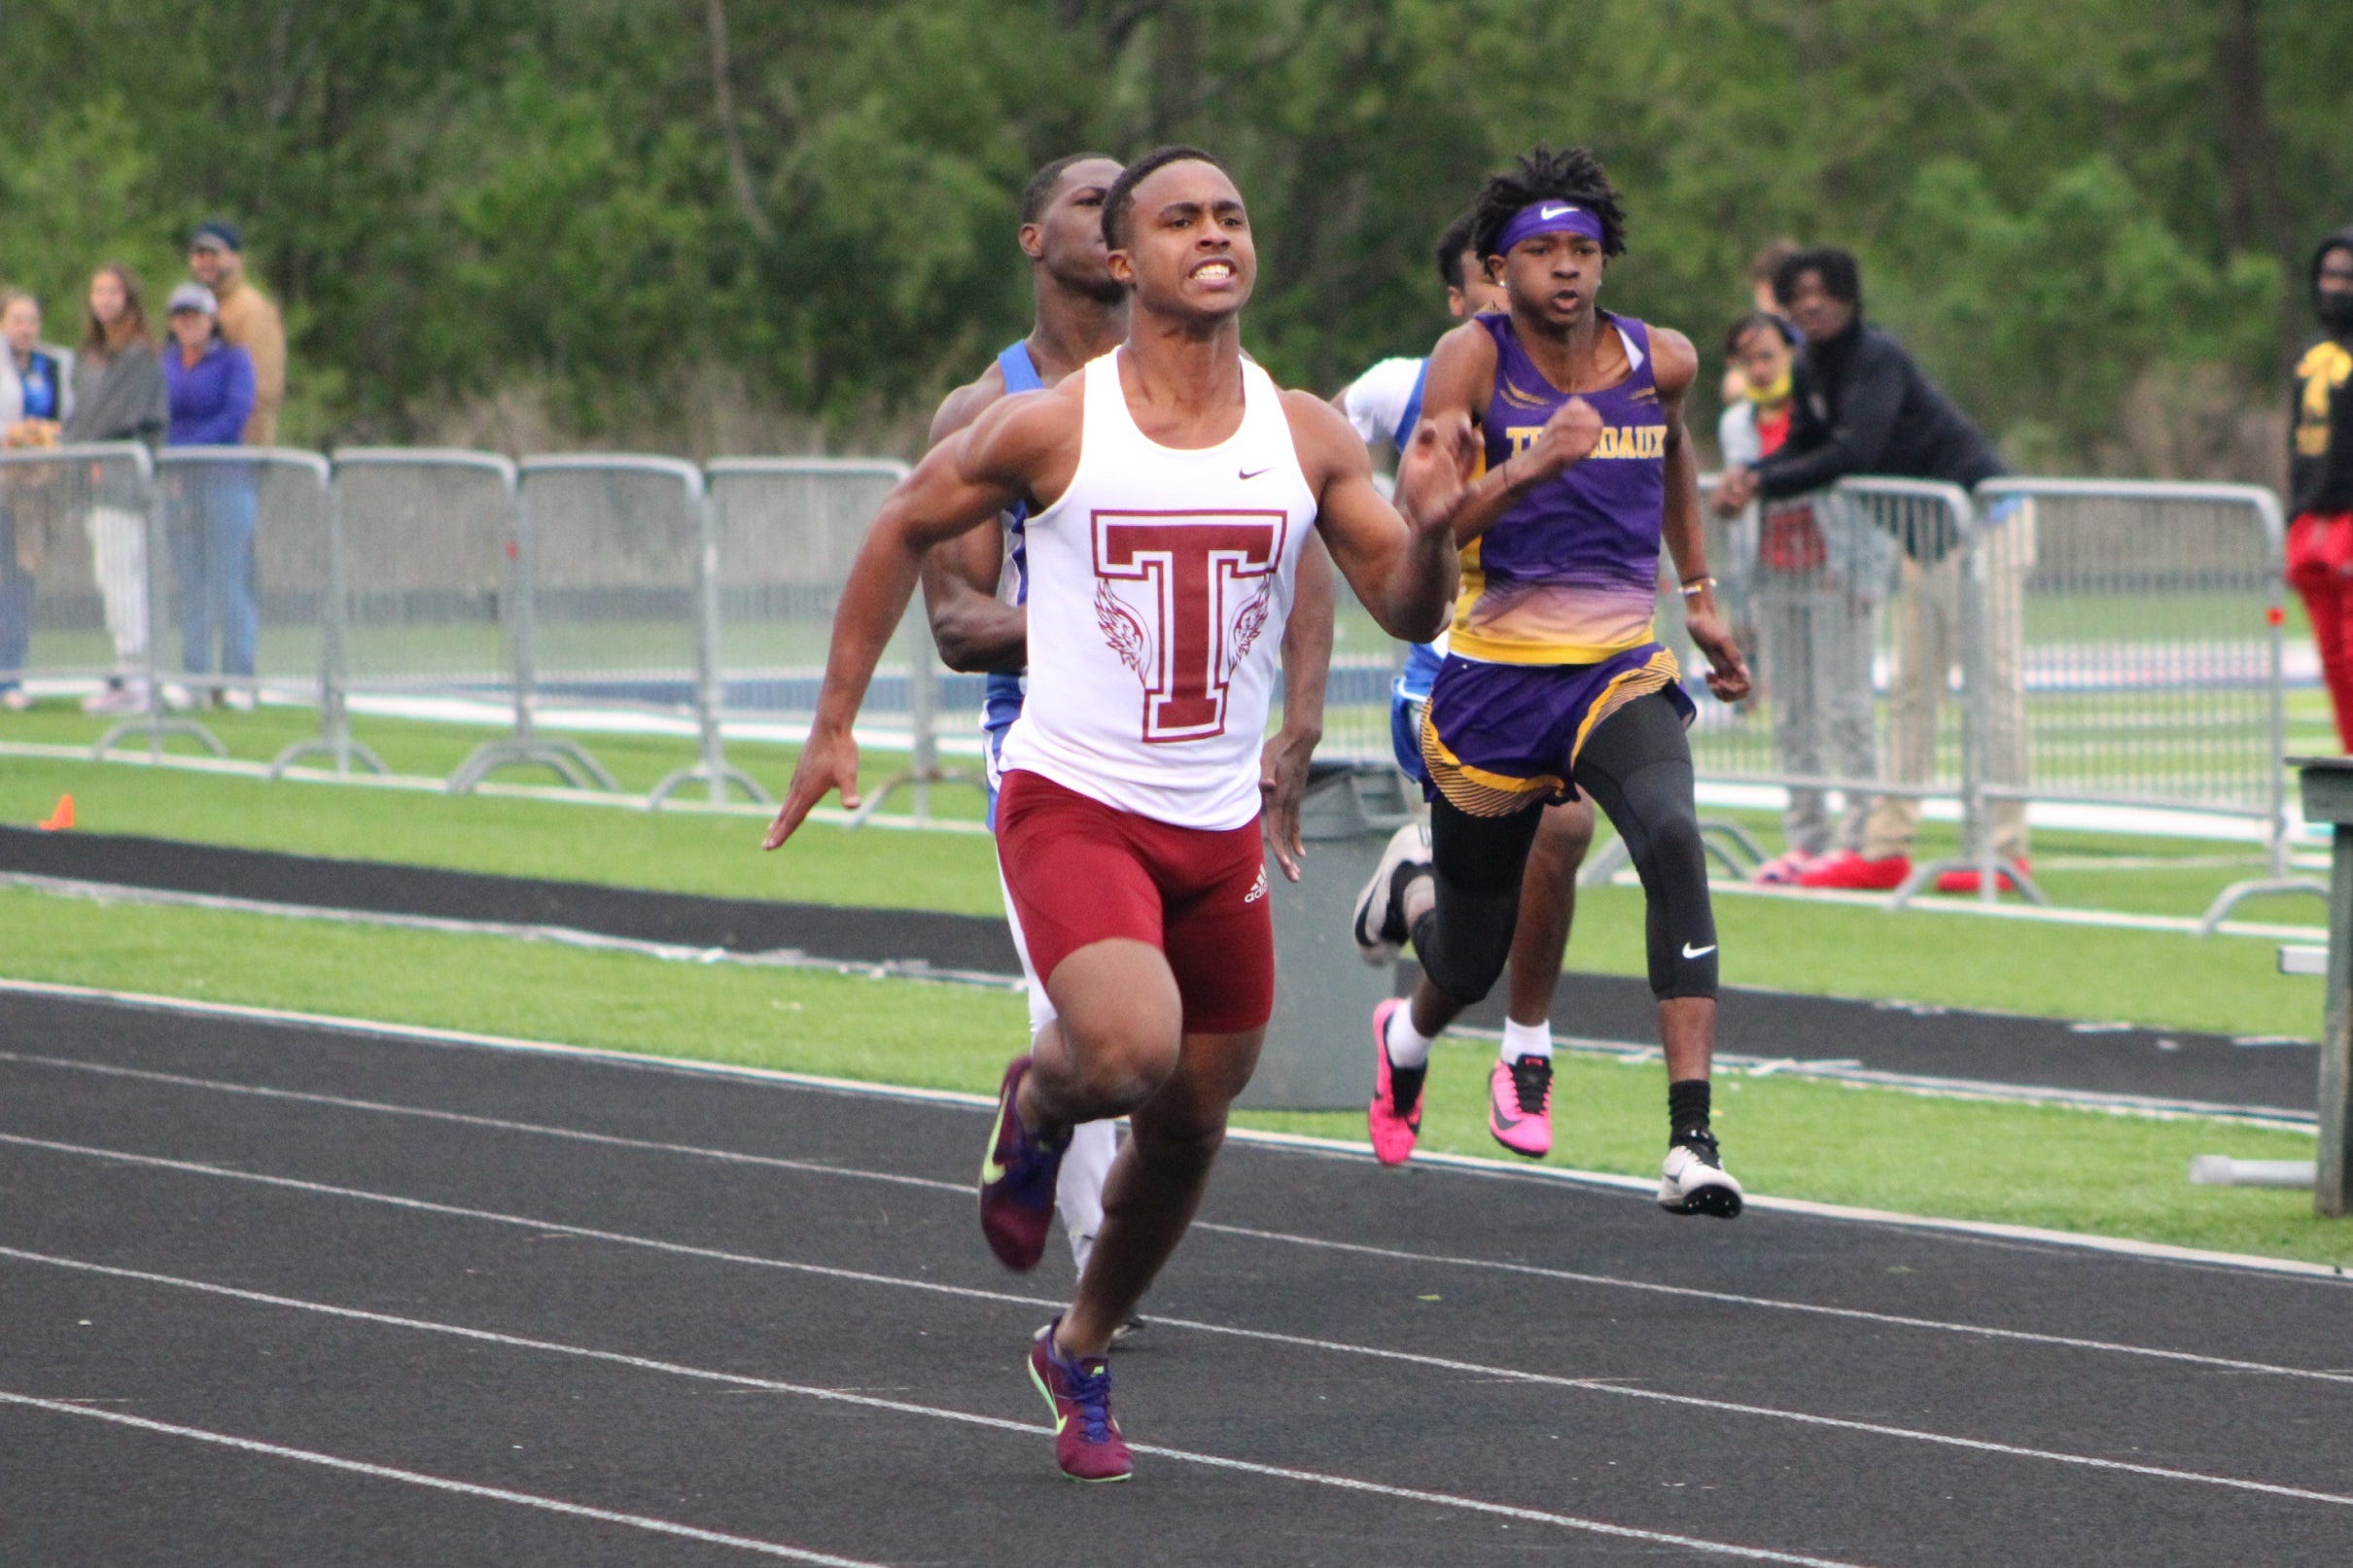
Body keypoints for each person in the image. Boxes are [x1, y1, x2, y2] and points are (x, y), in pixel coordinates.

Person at [764, 147, 1464, 1482]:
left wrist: (1438, 525)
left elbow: (1407, 607)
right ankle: (1037, 1104)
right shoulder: (1052, 422)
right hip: (1073, 798)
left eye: (1233, 215)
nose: (1214, 235)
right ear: (1121, 259)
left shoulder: (1303, 428)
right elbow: (901, 529)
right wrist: (834, 722)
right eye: (1179, 218)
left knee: (1198, 1117)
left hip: (1216, 826)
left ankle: (1077, 1348)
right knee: (1126, 1049)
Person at [916, 153, 1333, 1328]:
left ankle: (1095, 1273)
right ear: (1049, 241)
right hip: (1048, 746)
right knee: (1110, 1032)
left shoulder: (1238, 402)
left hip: (1200, 770)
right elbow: (951, 618)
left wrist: (1296, 716)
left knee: (1193, 1083)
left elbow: (1298, 553)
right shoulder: (996, 408)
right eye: (1093, 200)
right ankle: (1085, 1222)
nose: (1131, 215)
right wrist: (1118, 639)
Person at [1349, 145, 1752, 1219]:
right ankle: (1407, 983)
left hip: (1617, 665)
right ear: (1500, 265)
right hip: (1491, 683)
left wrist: (1699, 592)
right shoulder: (1469, 361)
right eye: (1540, 252)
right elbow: (1421, 517)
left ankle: (1689, 1141)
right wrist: (1532, 465)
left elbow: (1669, 454)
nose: (1564, 270)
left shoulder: (1656, 357)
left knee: (1669, 831)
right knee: (1470, 957)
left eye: (1581, 249)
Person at [1333, 210, 1596, 1161]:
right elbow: (1315, 459)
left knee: (1515, 893)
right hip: (1446, 672)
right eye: (1496, 279)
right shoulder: (1402, 387)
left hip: (1553, 662)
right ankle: (1516, 1034)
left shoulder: (1584, 382)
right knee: (1556, 828)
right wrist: (1385, 540)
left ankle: (1436, 1032)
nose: (1517, 296)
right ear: (1461, 298)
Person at [1718, 247, 2027, 894]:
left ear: (1850, 296)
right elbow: (1804, 444)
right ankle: (1886, 845)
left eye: (1823, 291)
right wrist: (1751, 478)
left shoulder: (1875, 358)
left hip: (1984, 524)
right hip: (1926, 539)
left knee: (1992, 689)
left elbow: (1851, 450)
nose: (1810, 304)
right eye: (1797, 294)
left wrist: (1762, 485)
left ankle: (2006, 849)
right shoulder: (1810, 368)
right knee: (1913, 691)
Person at [1715, 311, 1891, 884]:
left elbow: (1863, 499)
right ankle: (1806, 839)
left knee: (1847, 708)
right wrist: (1741, 603)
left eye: (1769, 356)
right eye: (1749, 361)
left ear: (1792, 355)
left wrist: (1867, 576)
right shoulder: (1737, 426)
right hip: (1774, 579)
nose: (1761, 369)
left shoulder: (1823, 412)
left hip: (1834, 579)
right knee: (1792, 712)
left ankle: (1863, 836)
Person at [65, 264, 167, 717]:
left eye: (114, 291)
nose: (105, 299)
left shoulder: (139, 356)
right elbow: (80, 412)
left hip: (122, 482)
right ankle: (128, 667)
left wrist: (75, 444)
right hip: (93, 481)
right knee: (112, 576)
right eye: (98, 291)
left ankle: (137, 671)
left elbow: (115, 417)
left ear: (129, 299)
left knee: (124, 575)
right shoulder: (91, 355)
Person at [160, 282, 260, 711]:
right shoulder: (164, 363)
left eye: (196, 316)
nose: (189, 324)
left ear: (211, 320)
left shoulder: (233, 360)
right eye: (181, 317)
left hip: (223, 480)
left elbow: (234, 415)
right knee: (192, 582)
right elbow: (158, 414)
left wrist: (184, 452)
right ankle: (194, 675)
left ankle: (239, 677)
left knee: (229, 580)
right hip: (180, 486)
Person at [2287, 226, 2353, 750]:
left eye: (2346, 277)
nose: (2334, 287)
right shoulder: (2310, 353)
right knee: (2333, 657)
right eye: (2328, 275)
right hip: (2316, 520)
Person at [1, 291, 73, 712]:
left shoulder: (51, 367)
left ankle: (11, 672)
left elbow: (65, 416)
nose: (25, 328)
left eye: (31, 320)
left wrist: (43, 439)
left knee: (19, 580)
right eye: (17, 320)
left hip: (31, 494)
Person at [187, 222, 285, 446]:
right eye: (199, 254)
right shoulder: (191, 309)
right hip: (196, 450)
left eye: (214, 254)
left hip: (239, 451)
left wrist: (243, 448)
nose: (206, 262)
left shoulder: (252, 310)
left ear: (235, 257)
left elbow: (263, 390)